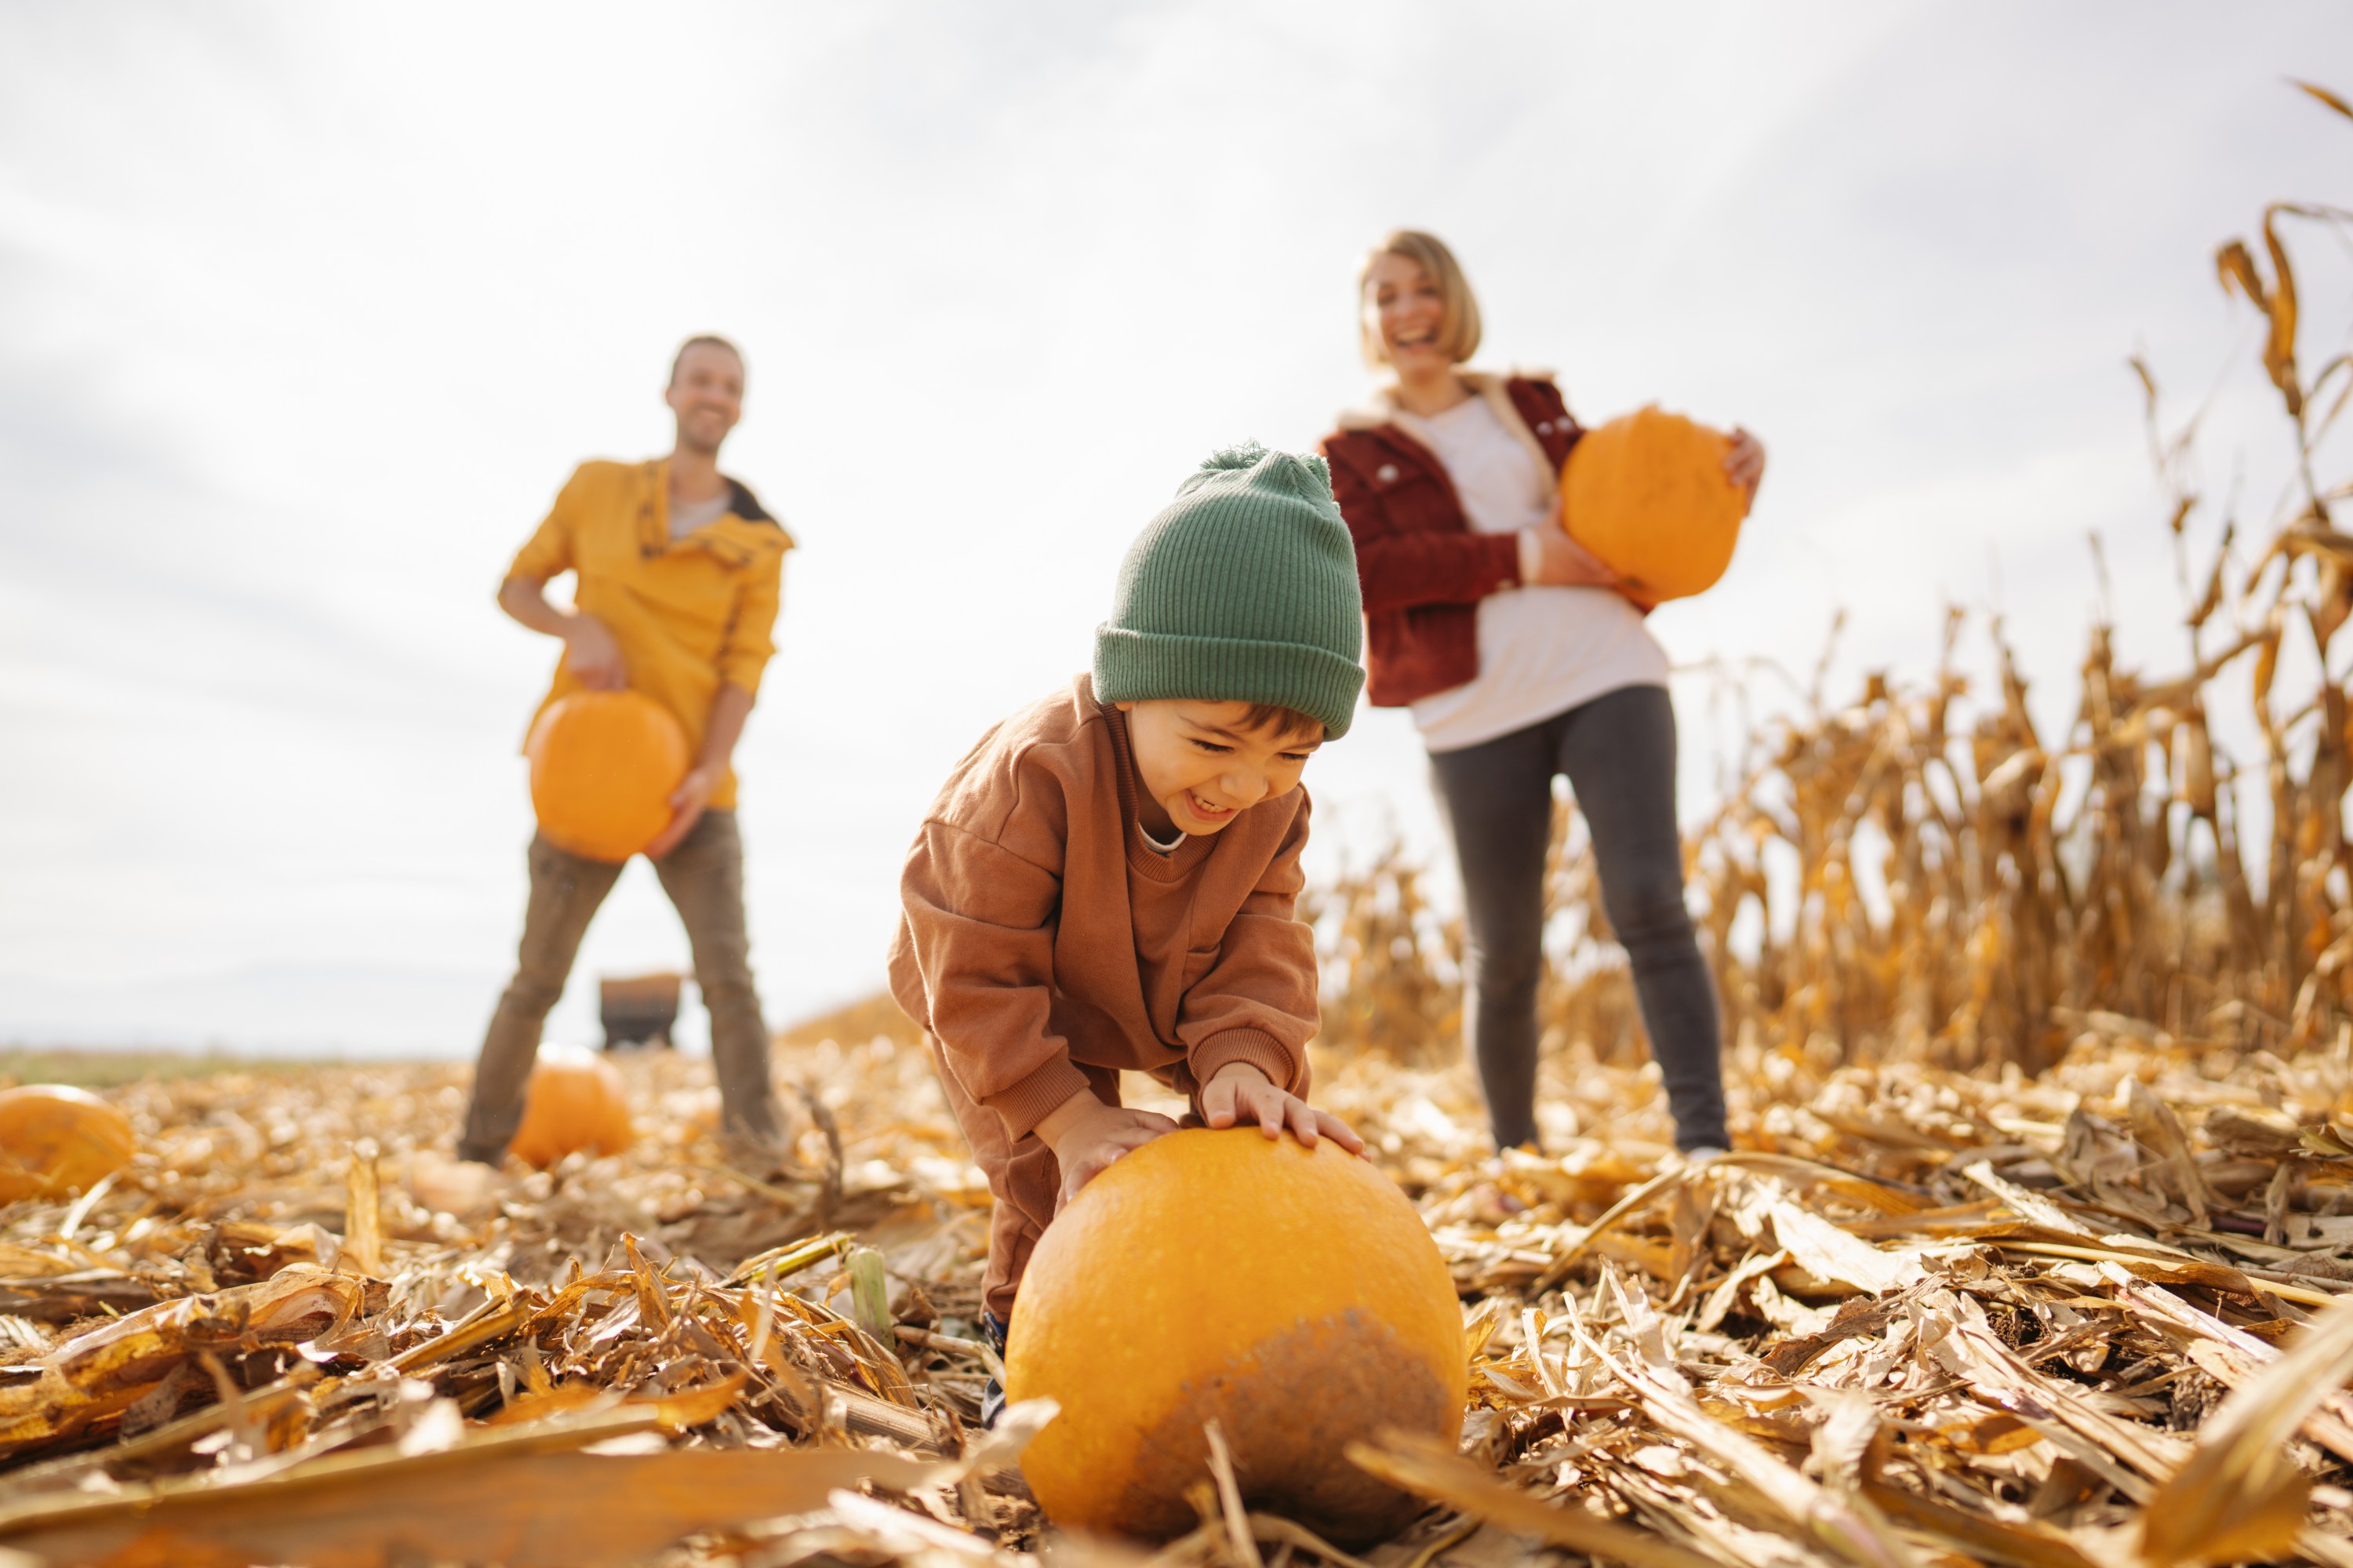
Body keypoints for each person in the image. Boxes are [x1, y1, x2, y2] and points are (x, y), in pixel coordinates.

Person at [888, 444, 1367, 1412]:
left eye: (1294, 752)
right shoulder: (1030, 778)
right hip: (1006, 997)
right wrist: (1072, 1120)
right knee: (1051, 1177)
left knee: (1252, 1132)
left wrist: (1241, 1063)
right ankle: (1024, 1353)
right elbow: (972, 967)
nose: (1246, 784)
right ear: (1131, 684)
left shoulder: (1269, 807)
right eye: (1212, 742)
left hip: (1163, 972)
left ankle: (1218, 1329)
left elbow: (1263, 939)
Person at [1319, 231, 1765, 1157]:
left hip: (1606, 667)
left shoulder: (1529, 401)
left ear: (1455, 303)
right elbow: (1363, 567)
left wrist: (1724, 481)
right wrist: (1521, 556)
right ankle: (1515, 1159)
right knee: (1507, 951)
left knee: (1648, 900)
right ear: (1369, 322)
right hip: (1472, 710)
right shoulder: (1351, 451)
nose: (1409, 311)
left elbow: (1628, 501)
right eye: (1387, 296)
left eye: (1425, 290)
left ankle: (1705, 1148)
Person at [457, 335, 793, 1170]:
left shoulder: (761, 544)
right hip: (586, 780)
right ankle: (478, 1153)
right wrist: (578, 624)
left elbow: (743, 668)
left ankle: (762, 1156)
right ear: (672, 391)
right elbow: (517, 584)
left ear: (740, 407)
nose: (714, 395)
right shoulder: (597, 489)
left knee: (728, 982)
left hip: (694, 793)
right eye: (701, 380)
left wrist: (708, 769)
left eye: (730, 386)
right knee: (536, 977)